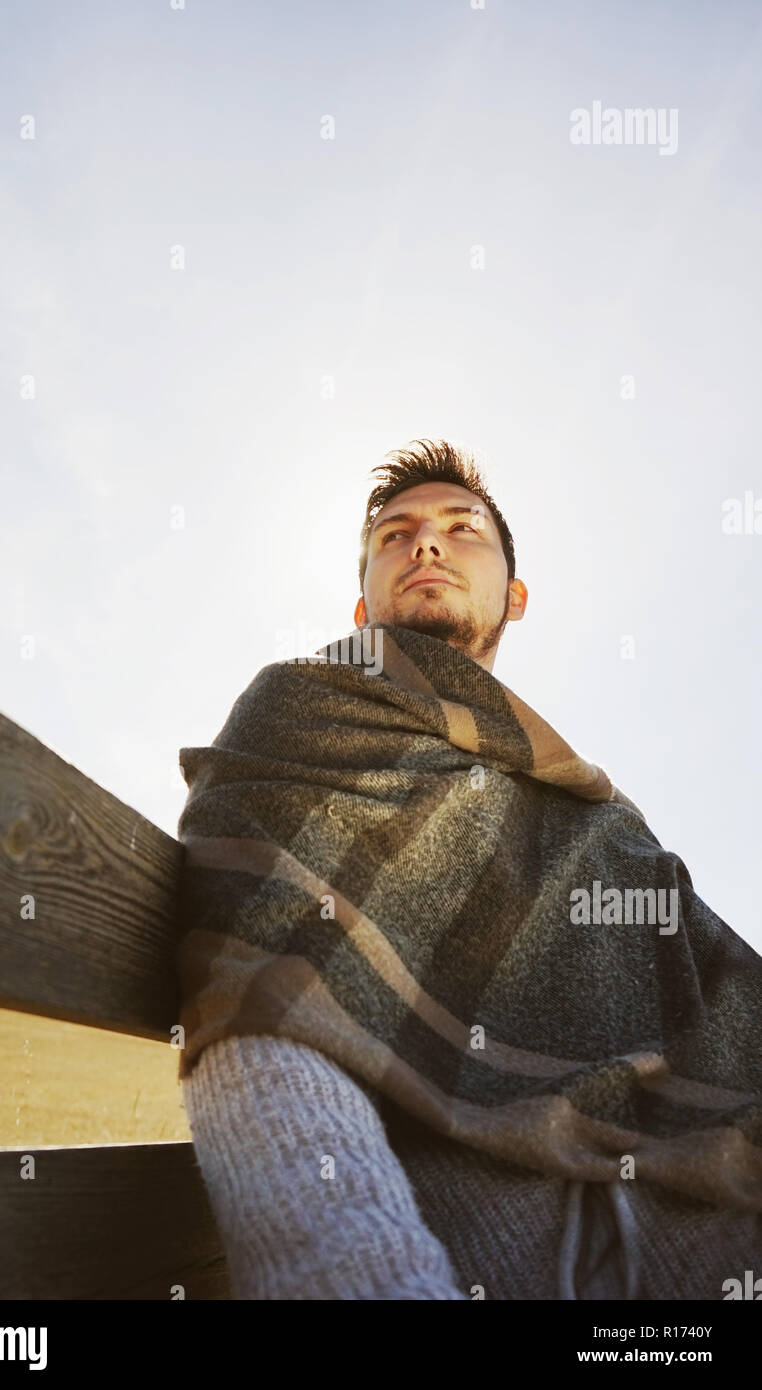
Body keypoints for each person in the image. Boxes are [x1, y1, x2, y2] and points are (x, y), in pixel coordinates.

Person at [177, 438, 762, 1300]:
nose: (425, 544)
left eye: (463, 529)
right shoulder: (302, 721)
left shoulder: (587, 812)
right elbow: (260, 1004)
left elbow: (718, 1000)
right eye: (395, 535)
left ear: (513, 596)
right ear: (362, 598)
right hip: (478, 1241)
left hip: (713, 1217)